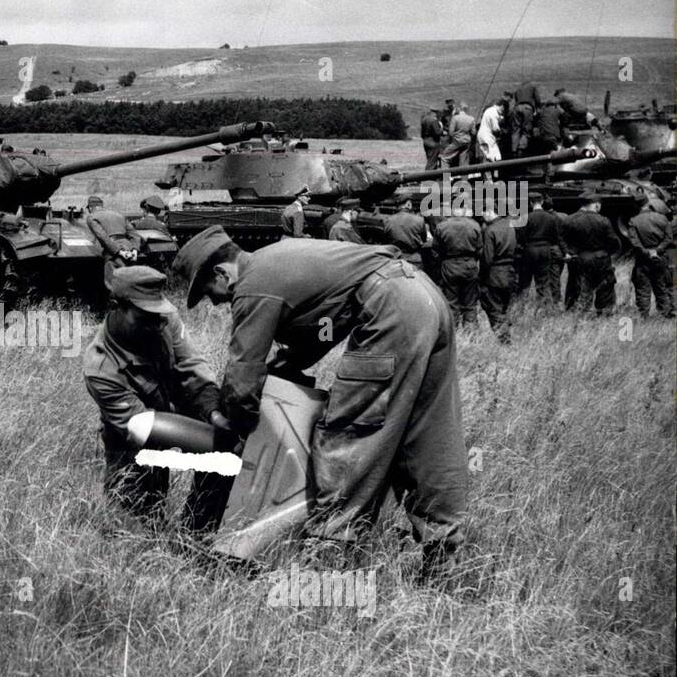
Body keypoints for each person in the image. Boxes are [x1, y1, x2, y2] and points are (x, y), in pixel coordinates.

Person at [171, 227, 467, 573]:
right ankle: (444, 560)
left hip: (389, 307)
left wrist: (235, 429)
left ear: (222, 273)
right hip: (423, 295)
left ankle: (328, 565)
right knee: (429, 434)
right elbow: (327, 325)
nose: (217, 302)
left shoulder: (251, 285)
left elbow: (242, 376)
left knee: (349, 433)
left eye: (210, 292)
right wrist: (288, 363)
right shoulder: (279, 258)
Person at [81, 266, 234, 533]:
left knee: (222, 460)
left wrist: (214, 413)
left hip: (170, 410)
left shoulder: (163, 319)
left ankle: (196, 538)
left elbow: (191, 366)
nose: (156, 324)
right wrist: (215, 441)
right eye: (145, 317)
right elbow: (142, 428)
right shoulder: (100, 368)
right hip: (133, 442)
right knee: (131, 521)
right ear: (117, 306)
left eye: (158, 316)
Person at [561, 198, 619, 314]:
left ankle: (577, 311)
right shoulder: (603, 220)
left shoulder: (569, 220)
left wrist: (568, 252)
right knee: (605, 286)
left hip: (579, 258)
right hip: (601, 258)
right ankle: (604, 312)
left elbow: (561, 239)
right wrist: (606, 252)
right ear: (596, 205)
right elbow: (614, 242)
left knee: (578, 286)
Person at [432, 213, 483, 325]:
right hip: (469, 265)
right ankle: (471, 333)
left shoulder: (442, 226)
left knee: (451, 301)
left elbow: (435, 251)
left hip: (449, 265)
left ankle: (454, 331)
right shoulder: (474, 225)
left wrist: (444, 261)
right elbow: (480, 250)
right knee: (470, 303)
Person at [626, 205, 675, 318]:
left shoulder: (634, 220)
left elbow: (634, 241)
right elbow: (669, 238)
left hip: (643, 259)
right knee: (661, 286)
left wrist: (646, 252)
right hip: (660, 257)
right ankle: (666, 314)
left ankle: (644, 315)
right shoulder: (663, 218)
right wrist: (657, 250)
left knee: (642, 289)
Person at [85, 196, 140, 289]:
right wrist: (135, 250)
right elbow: (134, 234)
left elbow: (103, 237)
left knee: (114, 285)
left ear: (90, 208)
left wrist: (119, 251)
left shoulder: (91, 217)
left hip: (113, 252)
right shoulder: (118, 215)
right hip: (130, 250)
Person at [480, 208, 517, 343]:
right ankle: (505, 331)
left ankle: (504, 339)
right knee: (504, 306)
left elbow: (487, 259)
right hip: (510, 272)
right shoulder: (510, 226)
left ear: (489, 212)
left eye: (483, 213)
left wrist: (481, 277)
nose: (482, 217)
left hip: (494, 274)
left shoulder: (490, 230)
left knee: (494, 307)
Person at [523, 195, 565, 306]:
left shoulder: (526, 217)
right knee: (543, 281)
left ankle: (521, 306)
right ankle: (543, 305)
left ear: (530, 203)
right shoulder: (551, 218)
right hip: (546, 250)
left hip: (530, 250)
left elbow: (522, 237)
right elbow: (555, 237)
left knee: (525, 280)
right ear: (541, 202)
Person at [383, 198, 433, 270]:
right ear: (408, 204)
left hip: (395, 259)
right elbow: (424, 240)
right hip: (414, 260)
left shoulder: (387, 220)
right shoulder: (419, 220)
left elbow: (386, 240)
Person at [440, 103, 476, 167]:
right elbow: (473, 133)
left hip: (457, 141)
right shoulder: (472, 119)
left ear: (459, 109)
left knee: (444, 158)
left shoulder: (455, 118)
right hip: (467, 142)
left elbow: (451, 132)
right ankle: (464, 177)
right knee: (464, 162)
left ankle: (446, 177)